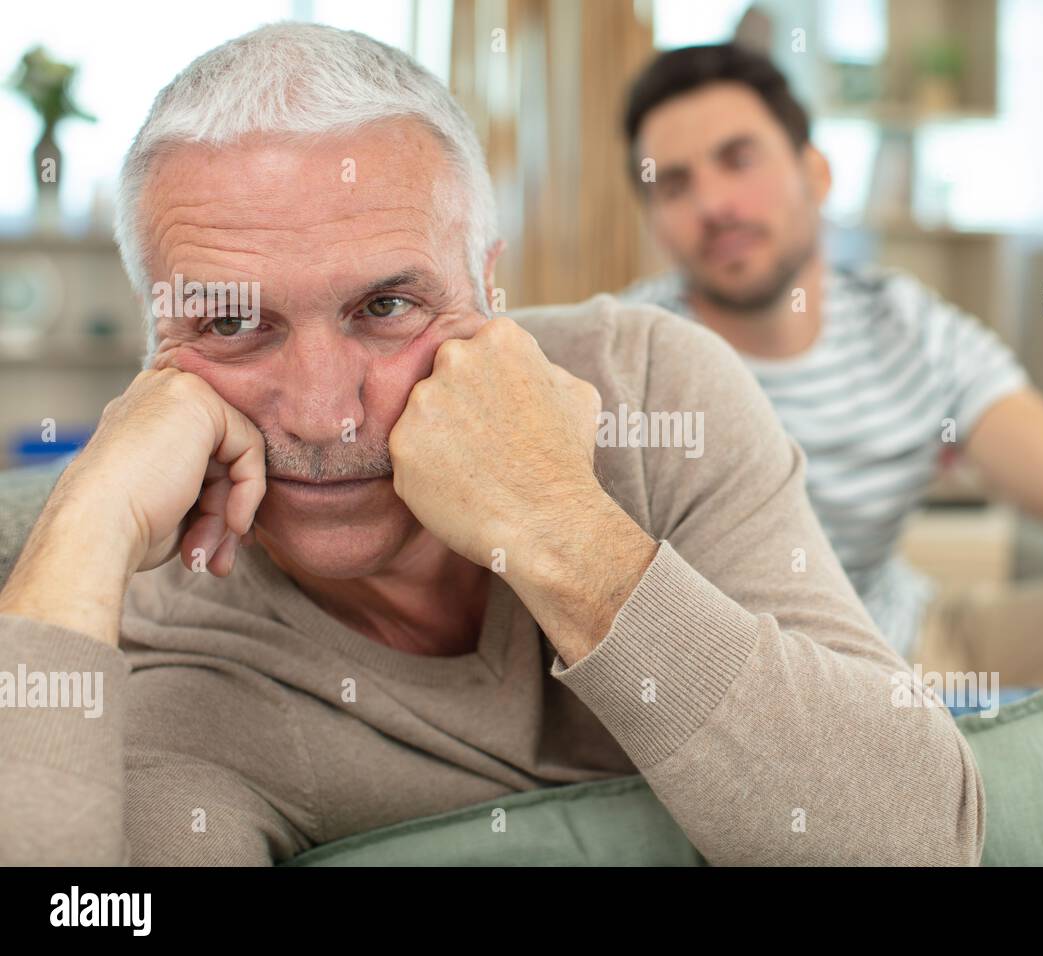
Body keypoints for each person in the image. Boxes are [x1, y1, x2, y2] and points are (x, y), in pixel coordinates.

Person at [0, 24, 984, 866]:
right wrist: (86, 520)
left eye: (385, 306)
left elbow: (923, 835)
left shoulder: (647, 382)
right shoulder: (183, 669)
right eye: (230, 325)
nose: (321, 412)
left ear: (488, 287)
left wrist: (552, 523)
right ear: (151, 348)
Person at [617, 43, 1043, 866]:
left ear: (817, 172)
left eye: (738, 160)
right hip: (770, 702)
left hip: (926, 643)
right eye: (674, 184)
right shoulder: (628, 355)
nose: (715, 203)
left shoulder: (912, 329)